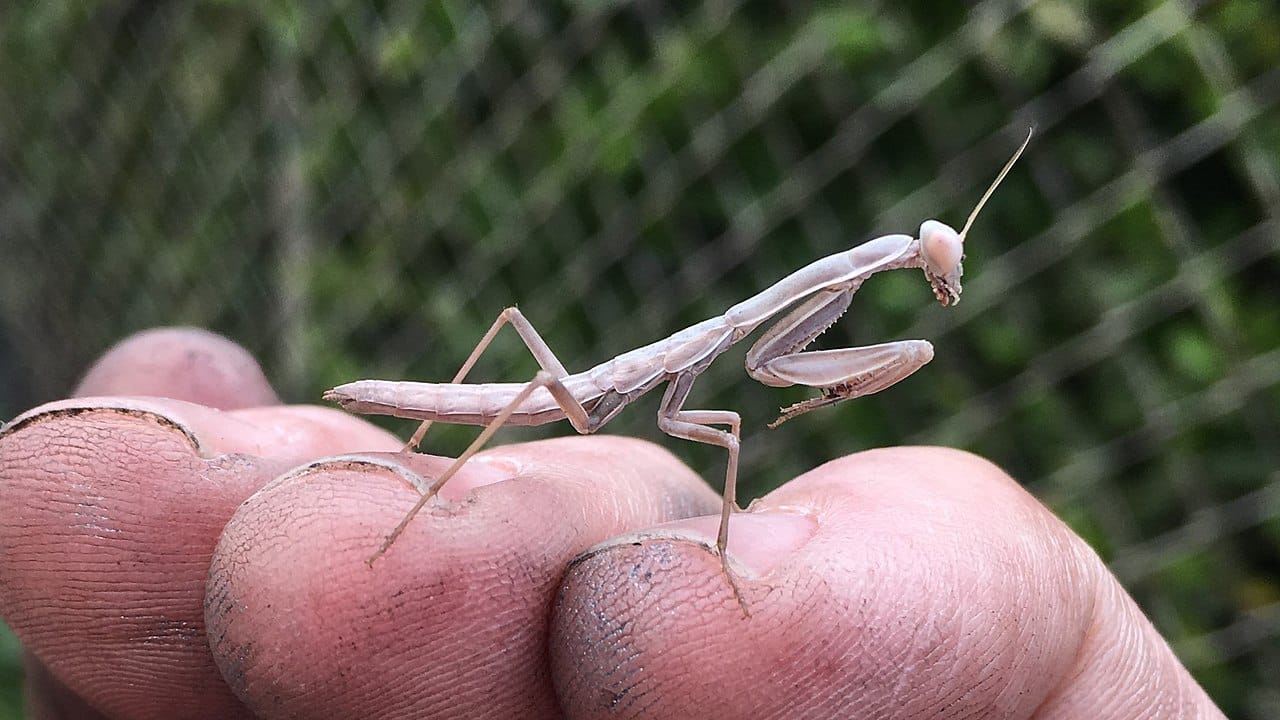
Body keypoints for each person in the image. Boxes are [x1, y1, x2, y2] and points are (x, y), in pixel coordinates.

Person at [0, 328, 1225, 719]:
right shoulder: (776, 329)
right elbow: (758, 383)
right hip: (526, 395)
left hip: (574, 413)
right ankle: (421, 487)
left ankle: (417, 491)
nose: (935, 289)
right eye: (930, 263)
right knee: (660, 417)